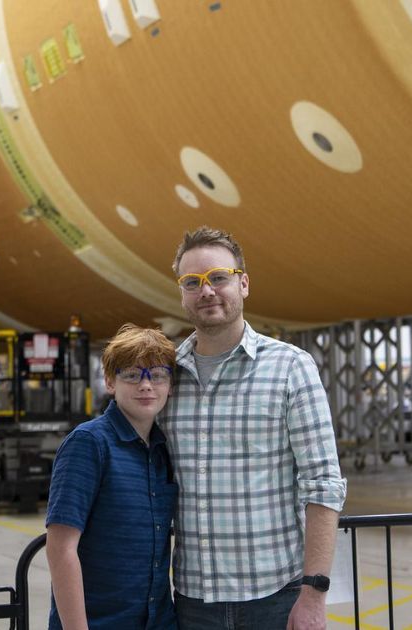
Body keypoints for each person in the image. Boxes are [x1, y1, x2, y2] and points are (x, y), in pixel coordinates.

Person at [163, 226, 347, 630]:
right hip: (192, 600)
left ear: (243, 284)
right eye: (192, 282)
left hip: (275, 598)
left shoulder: (291, 367)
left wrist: (314, 594)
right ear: (182, 294)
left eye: (219, 277)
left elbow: (323, 484)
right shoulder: (166, 377)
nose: (206, 290)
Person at [46, 324, 179, 629]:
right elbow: (60, 548)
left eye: (157, 375)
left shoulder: (162, 449)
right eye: (131, 375)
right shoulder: (89, 443)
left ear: (170, 385)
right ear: (109, 381)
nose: (146, 385)